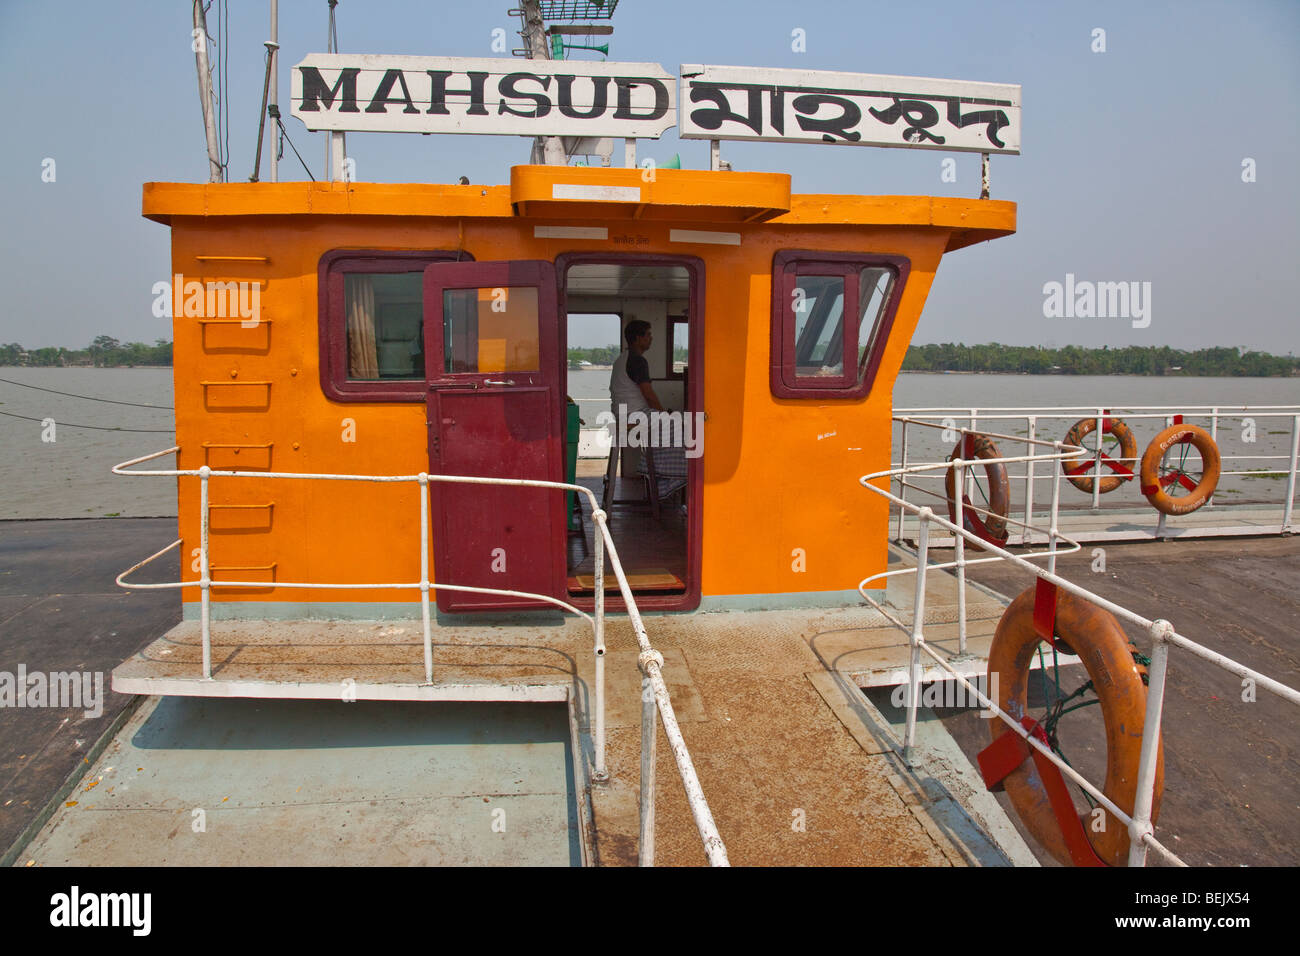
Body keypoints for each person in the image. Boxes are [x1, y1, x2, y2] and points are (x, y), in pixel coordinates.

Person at [608, 320, 687, 513]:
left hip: (623, 414)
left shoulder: (622, 359)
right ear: (637, 338)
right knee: (686, 428)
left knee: (673, 424)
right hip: (636, 415)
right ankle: (668, 481)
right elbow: (649, 395)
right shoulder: (637, 360)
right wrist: (663, 414)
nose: (651, 338)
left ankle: (660, 475)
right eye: (648, 335)